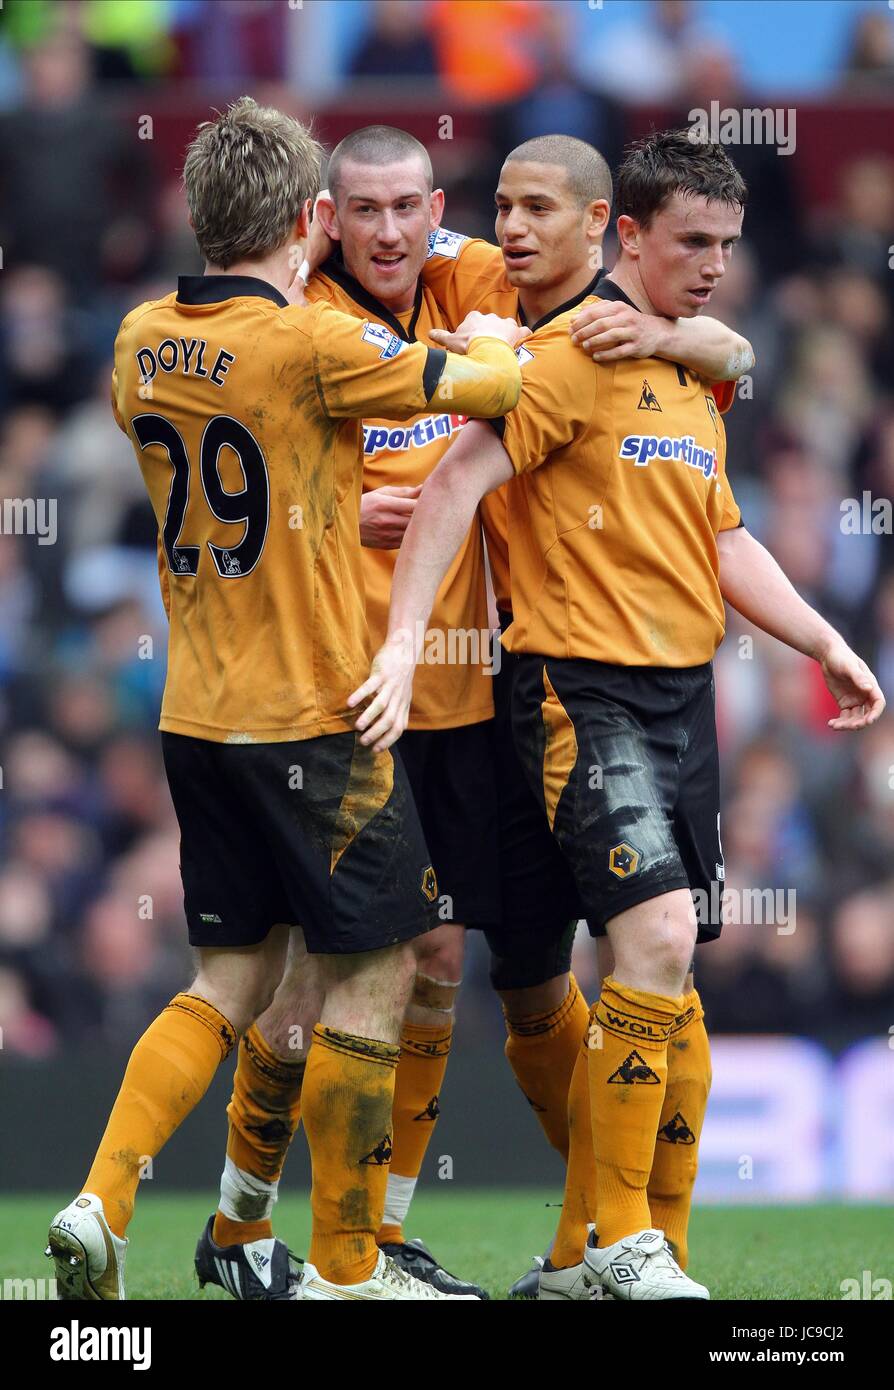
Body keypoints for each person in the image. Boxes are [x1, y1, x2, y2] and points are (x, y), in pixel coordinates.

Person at [350, 129, 886, 1301]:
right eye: (692, 243)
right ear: (626, 234)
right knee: (642, 943)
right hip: (572, 691)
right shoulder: (554, 353)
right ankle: (603, 1243)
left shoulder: (695, 370)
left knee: (655, 979)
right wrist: (400, 640)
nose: (713, 266)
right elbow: (453, 485)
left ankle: (606, 1252)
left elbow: (725, 533)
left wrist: (829, 640)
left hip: (681, 700)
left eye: (729, 246)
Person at [45, 96, 526, 1303]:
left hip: (195, 717)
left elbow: (234, 467)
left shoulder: (137, 336)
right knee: (377, 973)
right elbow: (486, 384)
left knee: (230, 984)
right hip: (315, 717)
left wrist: (330, 506)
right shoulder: (313, 344)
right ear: (315, 218)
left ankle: (101, 1198)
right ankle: (356, 1268)